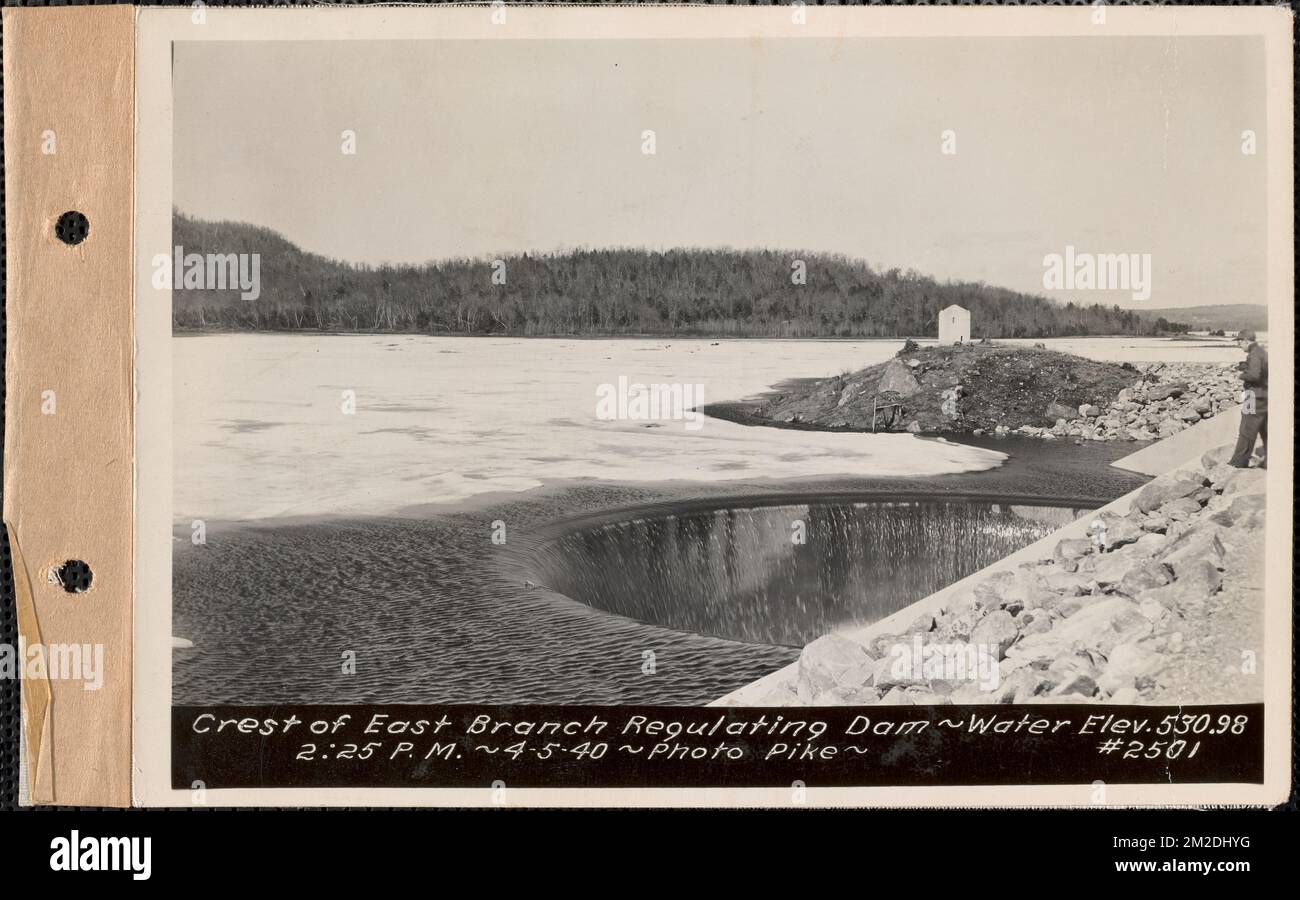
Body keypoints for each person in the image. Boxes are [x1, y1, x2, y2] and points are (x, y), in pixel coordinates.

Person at [1228, 329, 1267, 468]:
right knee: (1264, 429)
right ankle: (1270, 460)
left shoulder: (1254, 355)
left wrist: (1242, 375)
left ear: (1246, 340)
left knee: (1247, 429)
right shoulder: (1259, 352)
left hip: (1254, 396)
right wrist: (1244, 366)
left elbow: (1255, 376)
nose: (1239, 344)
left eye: (1239, 341)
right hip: (1264, 396)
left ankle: (1238, 462)